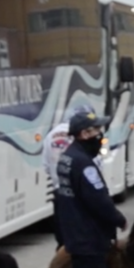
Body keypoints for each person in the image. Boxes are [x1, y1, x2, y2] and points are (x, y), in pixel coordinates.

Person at [54, 109, 129, 268]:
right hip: (89, 236)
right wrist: (118, 219)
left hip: (74, 233)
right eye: (97, 130)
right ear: (85, 133)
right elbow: (98, 200)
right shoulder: (83, 164)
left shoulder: (66, 157)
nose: (100, 135)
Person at [43, 104, 95, 251]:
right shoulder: (83, 137)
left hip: (59, 194)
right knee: (82, 240)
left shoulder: (50, 136)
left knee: (63, 241)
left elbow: (46, 165)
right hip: (80, 196)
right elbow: (94, 166)